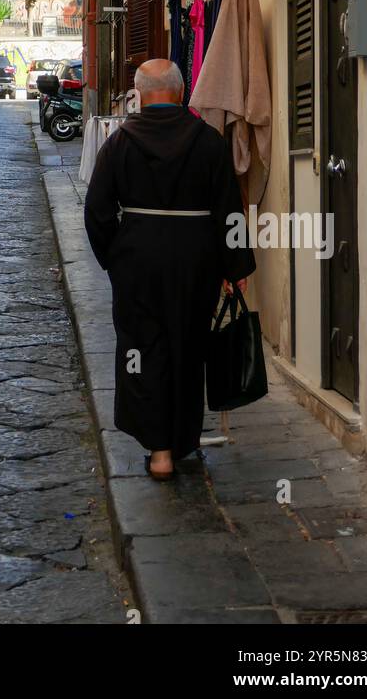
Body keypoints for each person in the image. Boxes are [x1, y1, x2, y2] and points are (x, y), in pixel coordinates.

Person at [83, 59, 255, 480]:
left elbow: (96, 212)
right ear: (181, 92)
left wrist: (114, 259)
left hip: (137, 263)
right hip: (197, 262)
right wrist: (236, 267)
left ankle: (159, 452)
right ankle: (183, 441)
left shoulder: (119, 143)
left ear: (140, 95)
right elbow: (228, 210)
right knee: (188, 349)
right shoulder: (209, 142)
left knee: (143, 348)